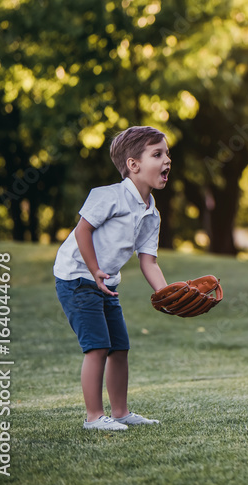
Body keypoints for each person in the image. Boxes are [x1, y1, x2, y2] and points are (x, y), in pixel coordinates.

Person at [54, 126, 172, 431]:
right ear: (133, 165)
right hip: (78, 277)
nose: (167, 160)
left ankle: (120, 413)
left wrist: (168, 294)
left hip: (108, 283)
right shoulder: (108, 196)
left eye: (167, 153)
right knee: (97, 347)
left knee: (119, 348)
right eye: (157, 154)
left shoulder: (151, 213)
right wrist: (94, 270)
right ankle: (94, 417)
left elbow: (149, 261)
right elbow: (83, 231)